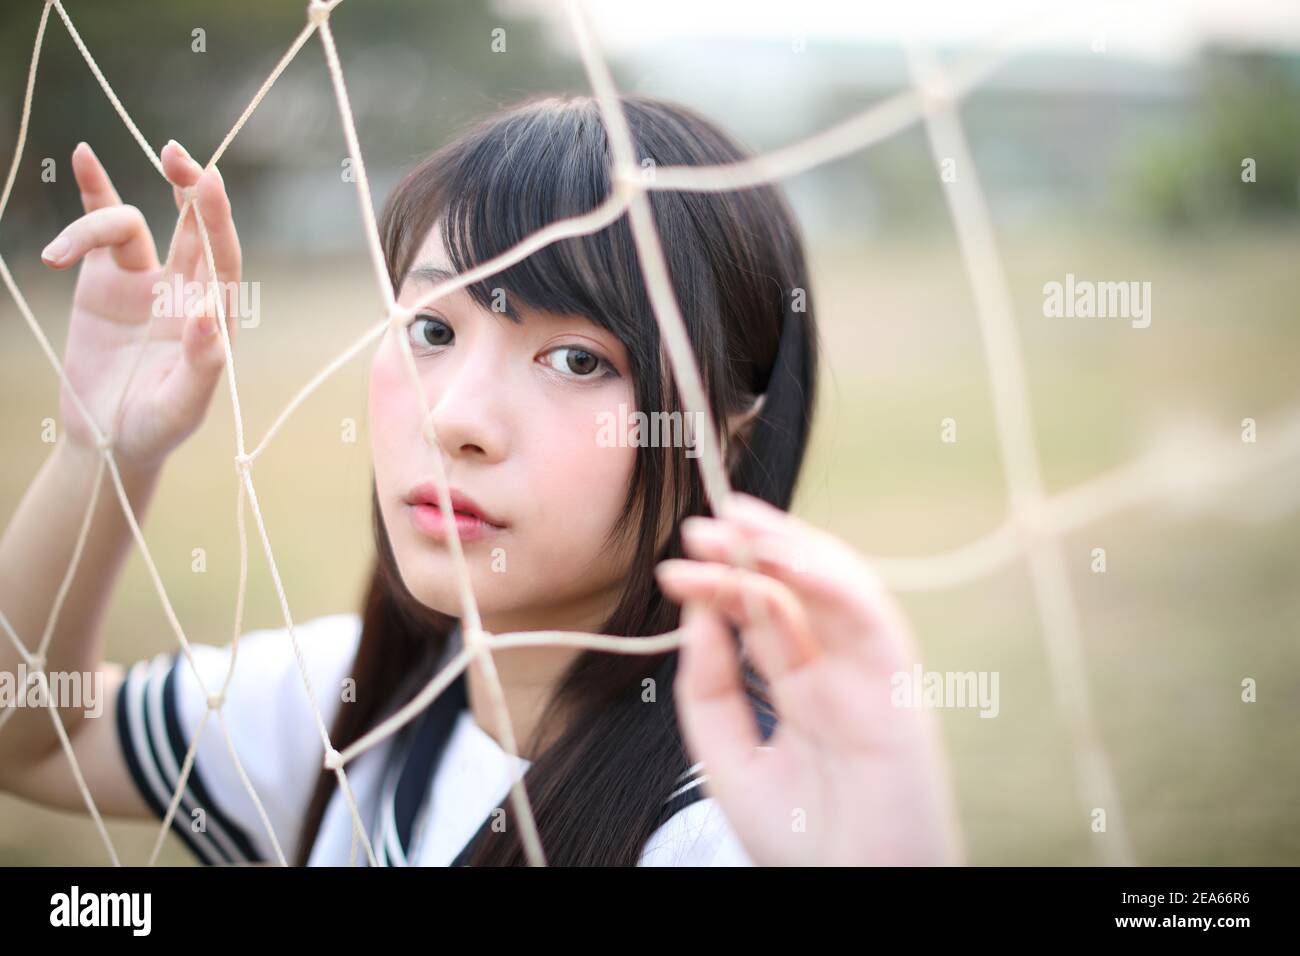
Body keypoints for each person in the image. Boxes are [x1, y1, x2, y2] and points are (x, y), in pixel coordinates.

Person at [0, 93, 963, 866]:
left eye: (579, 360)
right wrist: (101, 453)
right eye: (432, 329)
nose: (454, 417)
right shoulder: (338, 706)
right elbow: (29, 739)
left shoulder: (730, 826)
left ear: (729, 431)